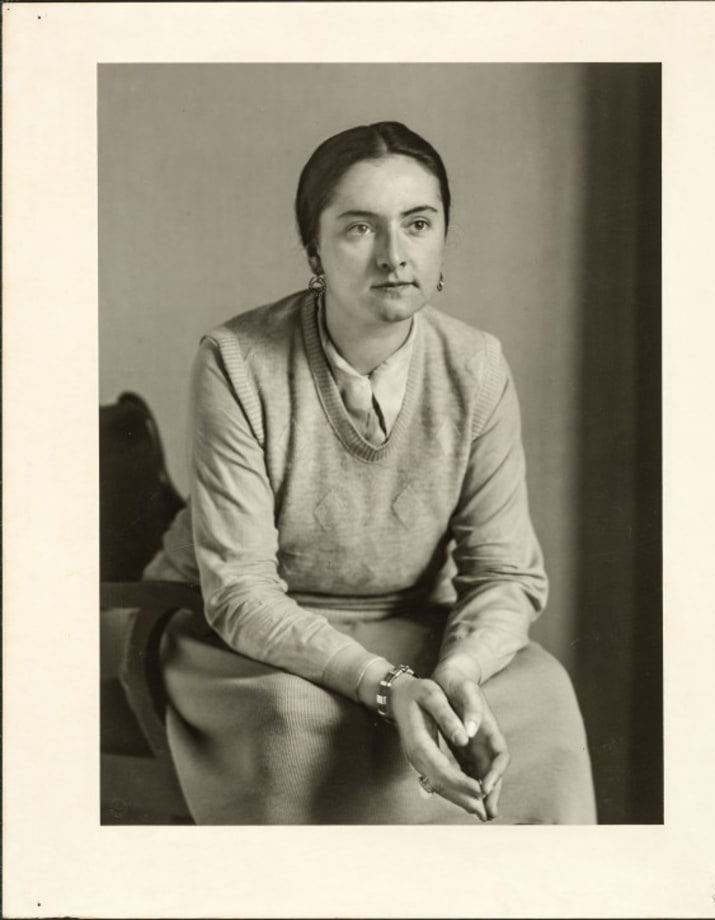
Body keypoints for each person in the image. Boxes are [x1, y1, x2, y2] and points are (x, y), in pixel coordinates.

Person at [145, 121, 596, 825]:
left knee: (543, 700)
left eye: (418, 223)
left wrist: (458, 673)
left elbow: (505, 574)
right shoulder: (236, 361)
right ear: (314, 249)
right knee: (297, 725)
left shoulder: (475, 366)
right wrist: (387, 689)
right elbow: (238, 592)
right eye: (360, 228)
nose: (394, 255)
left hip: (411, 625)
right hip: (236, 637)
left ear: (443, 236)